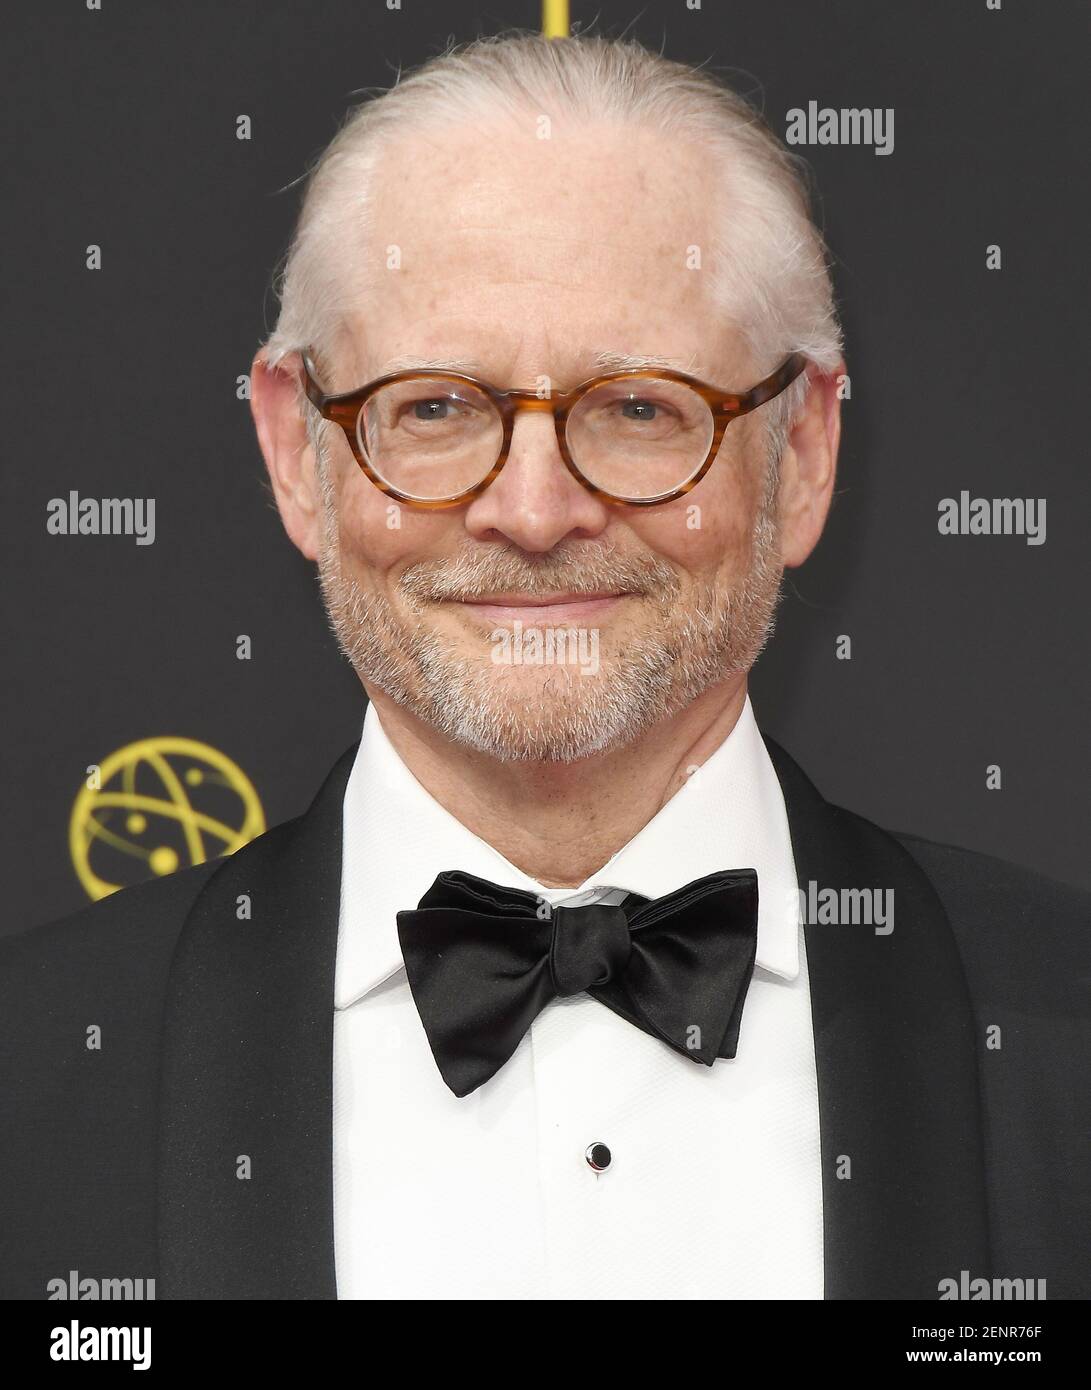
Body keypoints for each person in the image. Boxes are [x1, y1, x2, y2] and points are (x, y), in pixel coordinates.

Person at [1, 32, 1086, 1302]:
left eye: (637, 409)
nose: (530, 510)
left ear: (800, 456)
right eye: (434, 406)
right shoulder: (33, 1073)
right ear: (298, 453)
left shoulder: (1060, 1033)